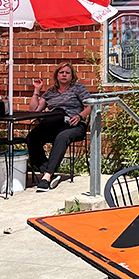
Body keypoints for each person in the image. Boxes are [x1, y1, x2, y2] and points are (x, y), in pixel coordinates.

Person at [27, 62, 91, 192]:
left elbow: (89, 106)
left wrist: (79, 116)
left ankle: (47, 176)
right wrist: (37, 90)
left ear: (72, 75)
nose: (64, 75)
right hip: (54, 125)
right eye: (61, 72)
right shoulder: (51, 92)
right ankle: (48, 172)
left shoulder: (78, 88)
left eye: (67, 73)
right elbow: (34, 110)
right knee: (32, 137)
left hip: (74, 125)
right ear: (56, 75)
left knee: (62, 135)